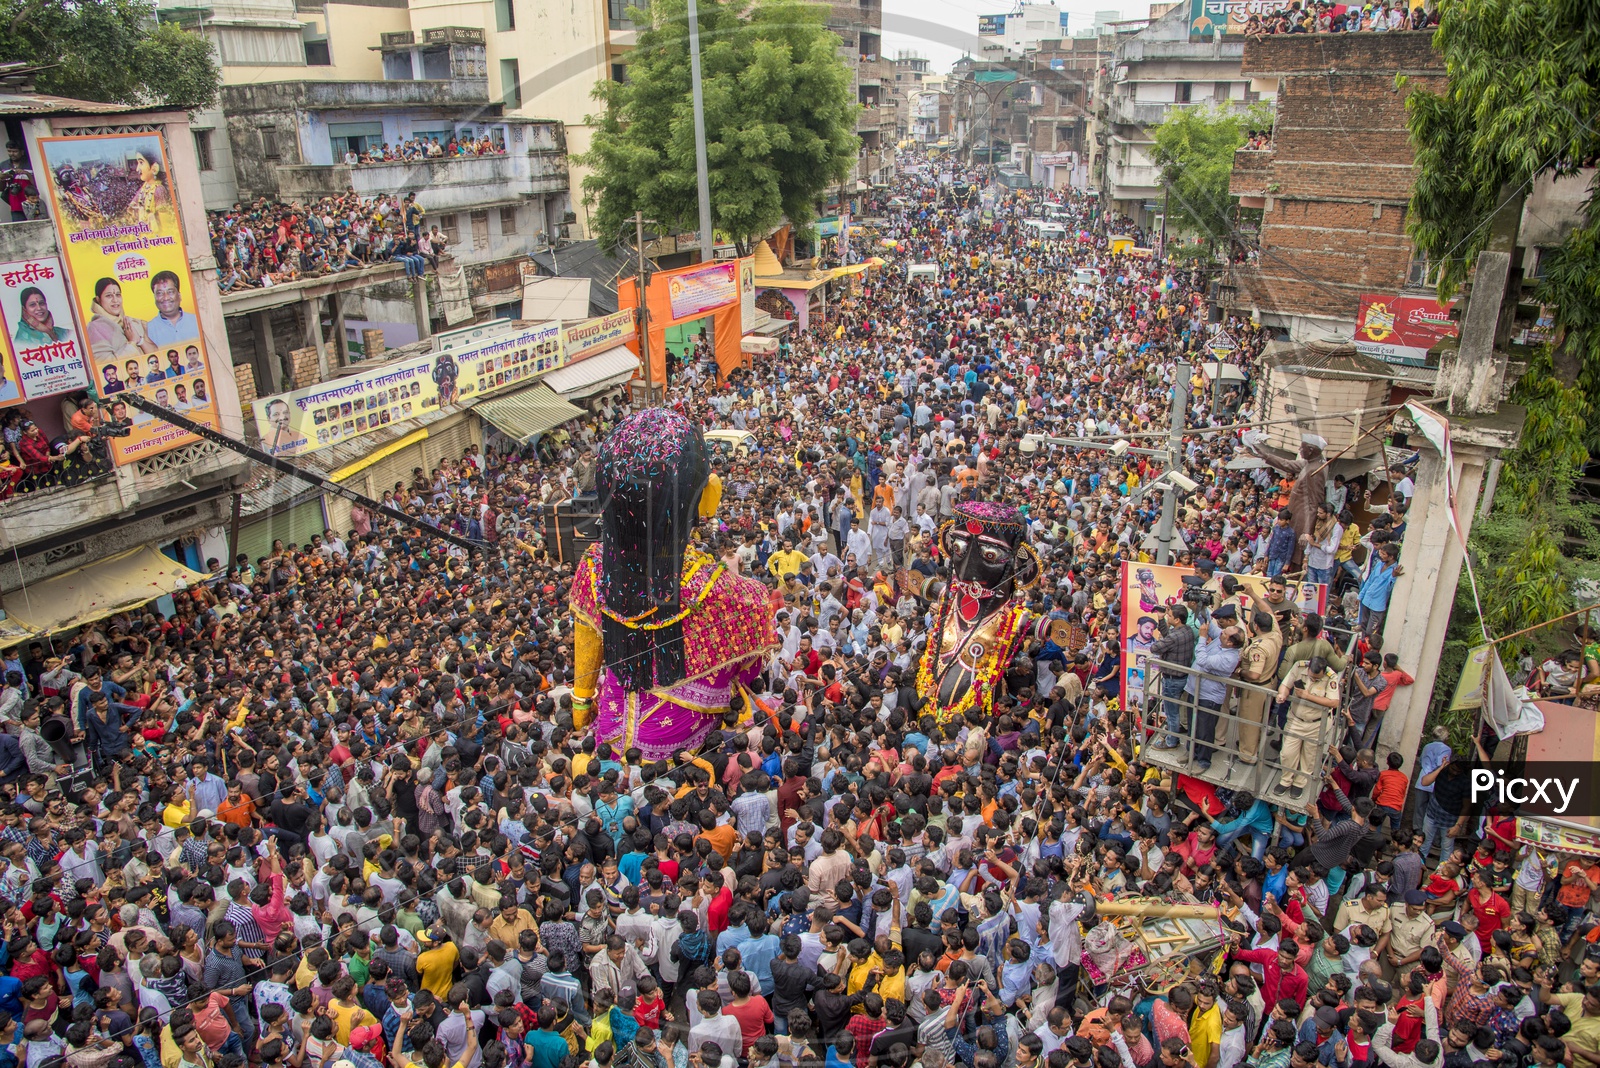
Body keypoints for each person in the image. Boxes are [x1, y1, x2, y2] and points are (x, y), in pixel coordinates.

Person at [145, 270, 200, 345]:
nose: (165, 298)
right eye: (160, 293)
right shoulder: (148, 330)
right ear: (154, 298)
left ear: (179, 295)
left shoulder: (197, 321)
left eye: (170, 292)